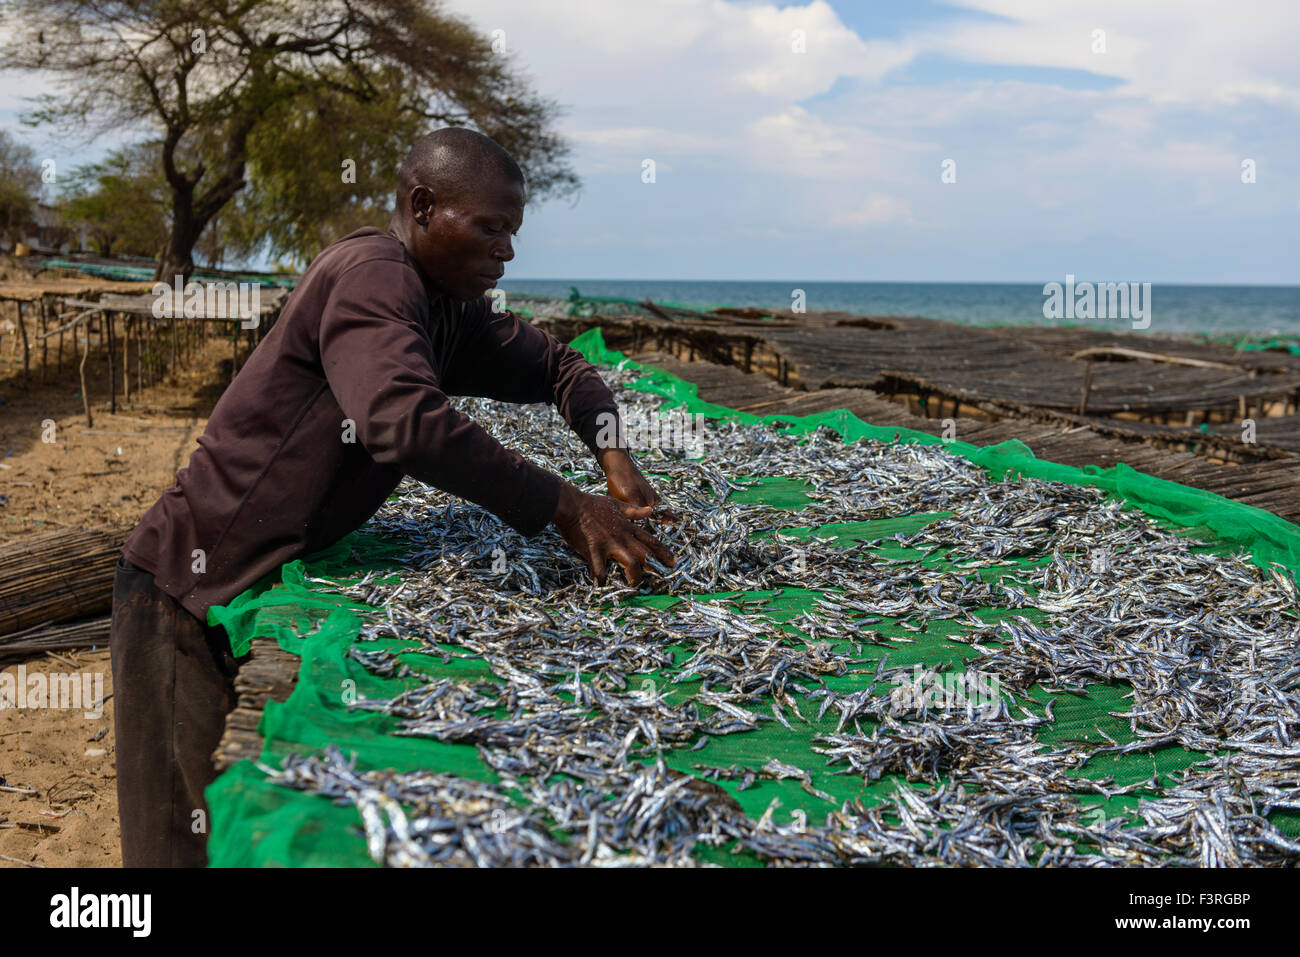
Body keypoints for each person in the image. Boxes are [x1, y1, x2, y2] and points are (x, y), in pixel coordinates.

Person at [110, 127, 675, 867]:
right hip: (183, 590)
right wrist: (566, 507)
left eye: (514, 232)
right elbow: (401, 419)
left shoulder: (449, 308)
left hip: (258, 575)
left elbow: (562, 367)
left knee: (237, 812)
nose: (508, 251)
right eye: (491, 228)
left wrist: (612, 453)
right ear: (422, 205)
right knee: (177, 843)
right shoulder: (374, 275)